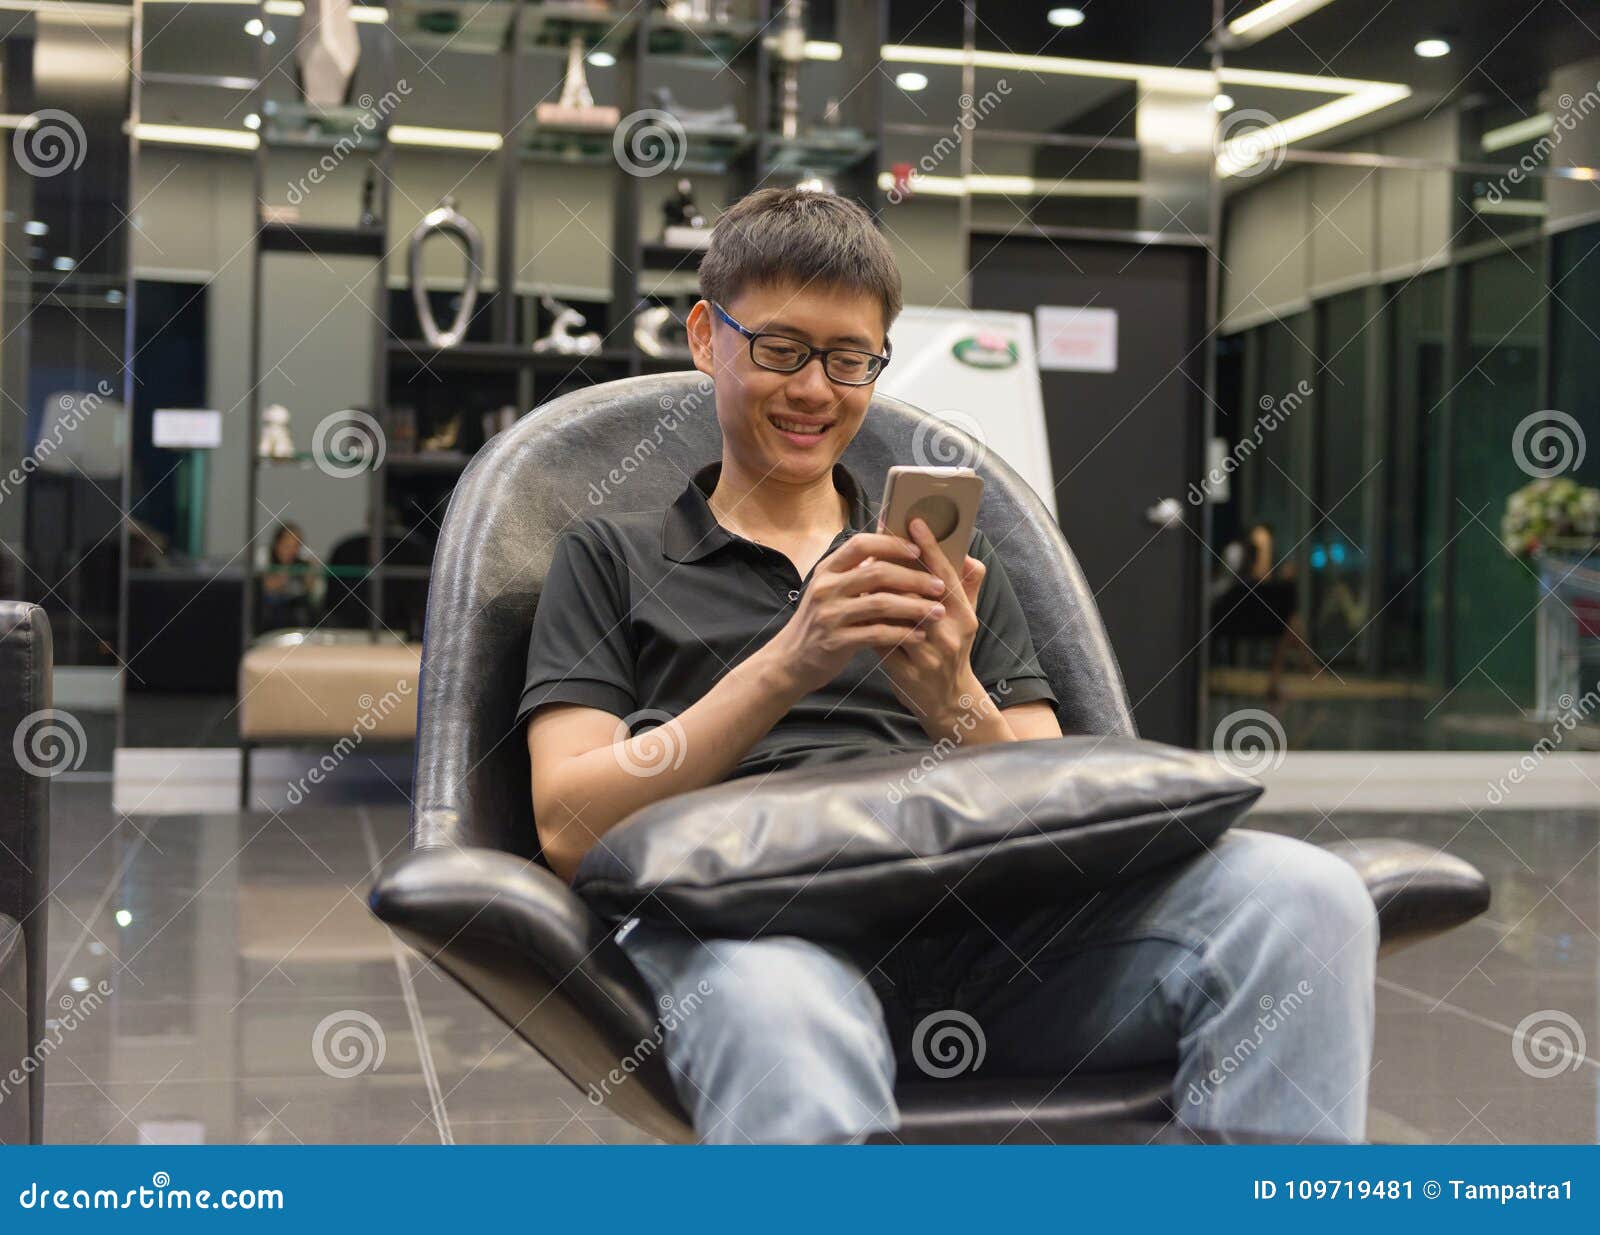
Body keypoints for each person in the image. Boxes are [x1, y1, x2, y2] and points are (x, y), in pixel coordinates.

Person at [519, 188, 1377, 1145]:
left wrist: (953, 700)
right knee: (782, 1022)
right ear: (706, 338)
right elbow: (567, 822)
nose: (815, 390)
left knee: (1307, 896)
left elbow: (1055, 806)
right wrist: (788, 663)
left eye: (850, 360)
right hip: (759, 925)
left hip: (990, 938)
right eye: (781, 349)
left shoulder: (947, 566)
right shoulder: (611, 555)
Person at [1210, 522, 1315, 703]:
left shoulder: (1264, 579)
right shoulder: (1236, 555)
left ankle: (1301, 666)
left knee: (1288, 620)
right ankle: (1305, 664)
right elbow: (1231, 587)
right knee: (1290, 621)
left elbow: (1259, 580)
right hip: (1226, 613)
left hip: (1247, 616)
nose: (1264, 546)